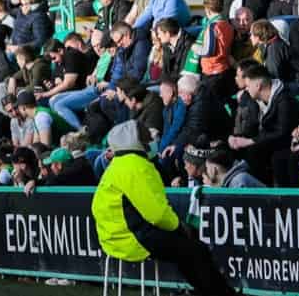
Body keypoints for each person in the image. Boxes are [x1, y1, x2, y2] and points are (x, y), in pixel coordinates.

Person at [91, 121, 240, 296]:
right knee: (194, 249)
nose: (152, 140)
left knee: (187, 249)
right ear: (136, 140)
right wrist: (180, 226)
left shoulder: (117, 165)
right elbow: (158, 214)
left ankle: (208, 290)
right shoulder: (137, 166)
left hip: (113, 238)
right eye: (147, 136)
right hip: (132, 239)